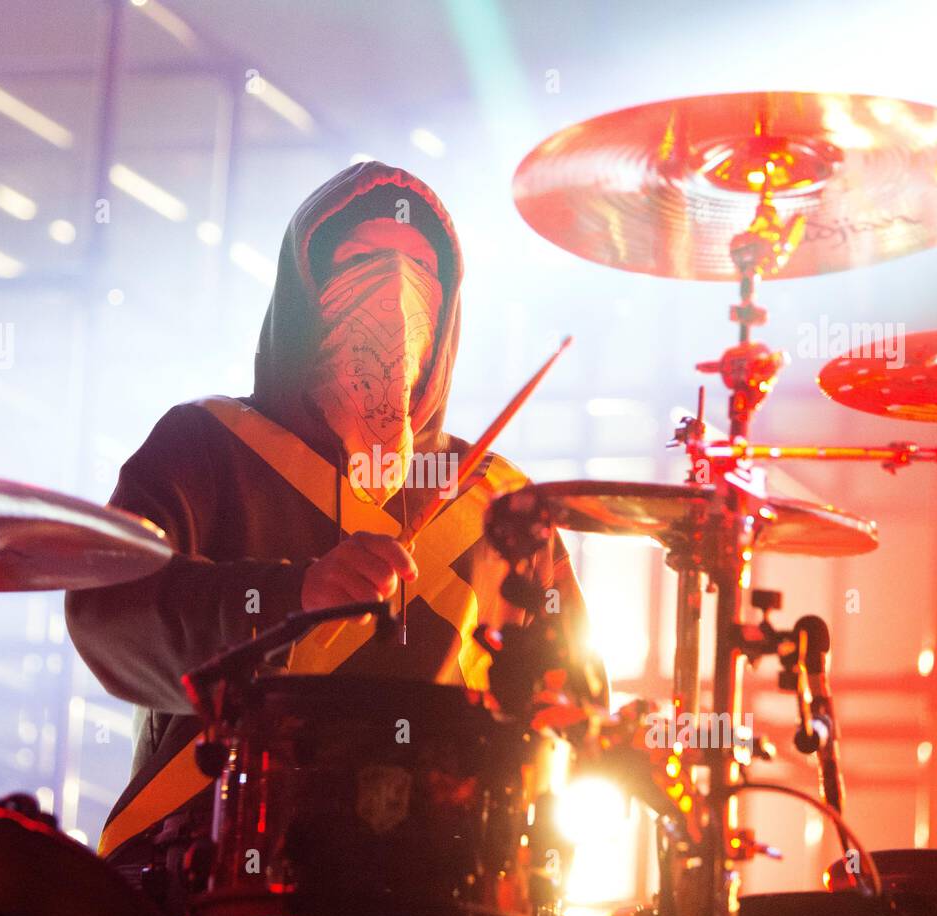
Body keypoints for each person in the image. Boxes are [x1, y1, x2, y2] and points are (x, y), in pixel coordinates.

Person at [65, 161, 595, 876]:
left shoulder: (503, 504)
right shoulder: (208, 443)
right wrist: (289, 599)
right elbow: (107, 608)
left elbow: (572, 700)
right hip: (206, 872)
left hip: (443, 891)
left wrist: (569, 710)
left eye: (419, 269)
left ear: (447, 310)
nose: (394, 289)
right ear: (306, 289)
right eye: (365, 261)